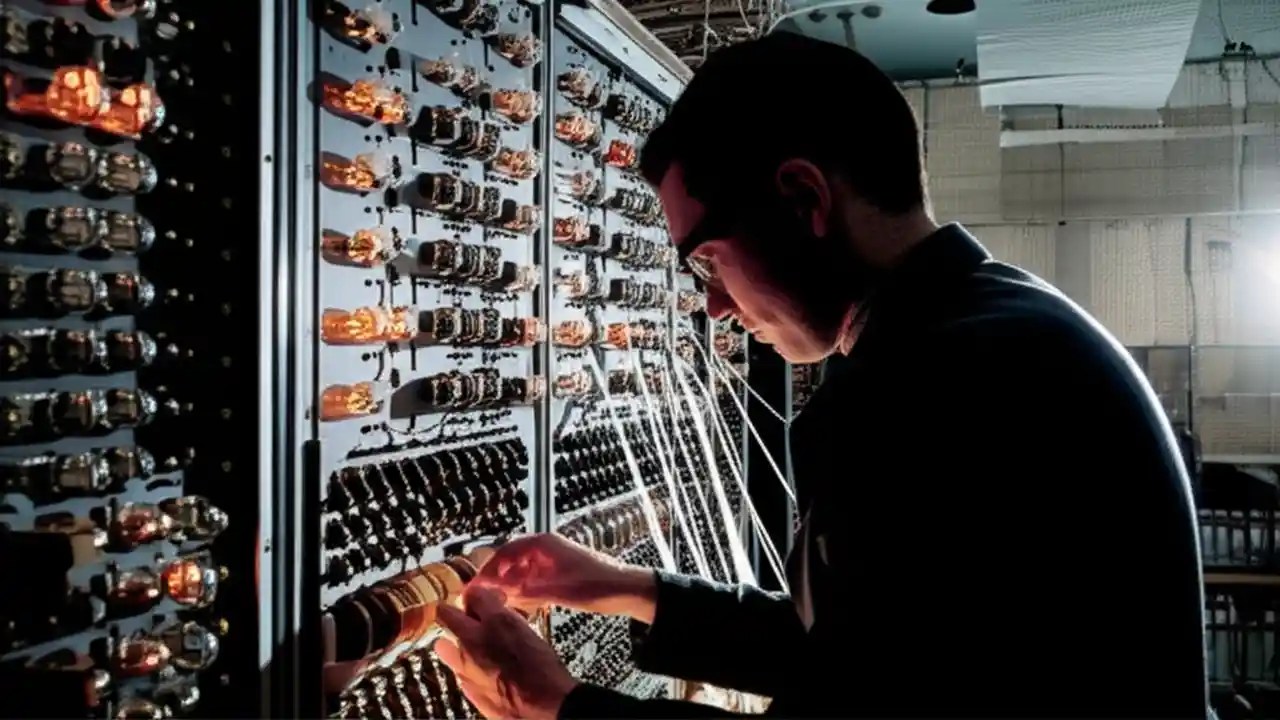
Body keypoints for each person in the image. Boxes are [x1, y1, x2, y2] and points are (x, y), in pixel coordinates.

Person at [434, 31, 1209, 719]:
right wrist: (626, 586)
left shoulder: (921, 388)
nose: (711, 306)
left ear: (803, 197)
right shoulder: (997, 328)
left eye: (705, 261)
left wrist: (556, 705)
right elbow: (861, 654)